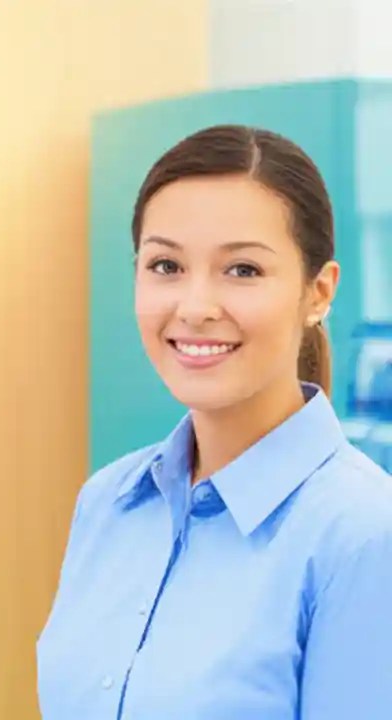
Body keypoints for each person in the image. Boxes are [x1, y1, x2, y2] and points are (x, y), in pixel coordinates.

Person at [37, 125, 392, 719]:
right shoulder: (107, 503)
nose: (195, 306)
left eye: (243, 270)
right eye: (166, 265)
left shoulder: (363, 534)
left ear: (319, 292)